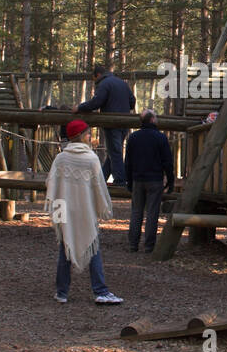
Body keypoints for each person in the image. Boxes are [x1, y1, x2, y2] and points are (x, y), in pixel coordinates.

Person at [47, 120, 122, 304]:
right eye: (88, 133)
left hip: (63, 209)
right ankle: (100, 291)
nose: (90, 136)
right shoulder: (91, 158)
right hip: (85, 209)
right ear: (81, 135)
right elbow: (99, 187)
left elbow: (51, 184)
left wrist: (57, 212)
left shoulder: (61, 158)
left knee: (65, 248)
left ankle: (61, 292)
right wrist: (103, 207)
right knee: (93, 246)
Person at [74, 63, 135, 188]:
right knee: (114, 151)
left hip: (112, 123)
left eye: (94, 79)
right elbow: (132, 102)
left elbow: (97, 102)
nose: (95, 81)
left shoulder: (104, 84)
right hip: (125, 123)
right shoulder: (122, 83)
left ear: (98, 75)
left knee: (115, 152)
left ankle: (120, 181)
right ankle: (101, 178)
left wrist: (80, 107)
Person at [123, 110, 175, 253]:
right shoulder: (160, 138)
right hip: (155, 180)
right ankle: (149, 246)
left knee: (136, 212)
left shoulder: (133, 138)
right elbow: (167, 162)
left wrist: (128, 181)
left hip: (137, 179)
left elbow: (128, 162)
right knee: (152, 213)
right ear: (152, 119)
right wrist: (170, 181)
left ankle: (133, 244)